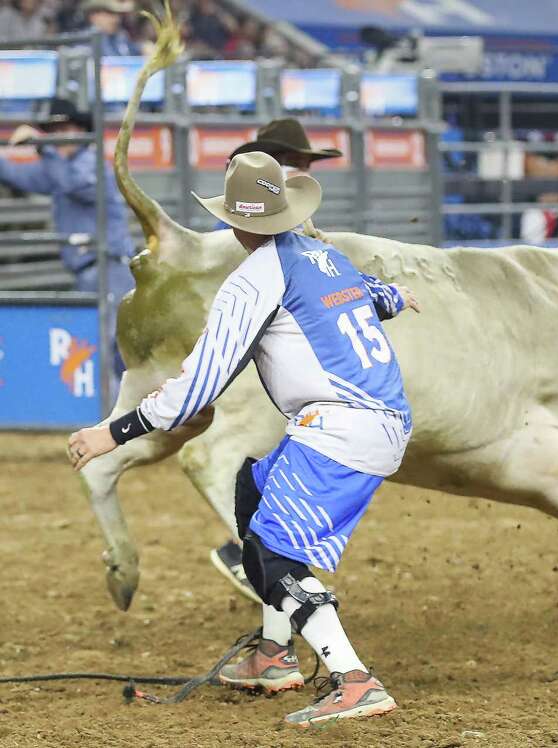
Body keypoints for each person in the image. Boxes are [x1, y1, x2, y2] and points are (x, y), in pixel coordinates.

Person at [67, 152, 421, 727]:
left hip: (341, 426)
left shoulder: (253, 279)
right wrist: (399, 298)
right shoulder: (325, 258)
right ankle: (273, 655)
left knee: (272, 552)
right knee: (251, 495)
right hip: (371, 420)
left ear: (235, 223)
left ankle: (353, 680)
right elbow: (373, 297)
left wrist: (118, 430)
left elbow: (199, 382)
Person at [207, 117, 345, 597]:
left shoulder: (251, 199)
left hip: (265, 336)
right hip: (280, 338)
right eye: (305, 161)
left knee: (284, 458)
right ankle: (265, 557)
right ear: (299, 162)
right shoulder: (282, 209)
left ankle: (256, 553)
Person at [0, 97, 135, 390]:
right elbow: (19, 175)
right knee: (107, 346)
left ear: (79, 129)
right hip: (93, 269)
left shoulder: (87, 164)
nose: (58, 136)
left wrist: (41, 145)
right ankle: (119, 419)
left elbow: (72, 183)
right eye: (53, 130)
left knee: (115, 346)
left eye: (63, 128)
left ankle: (120, 421)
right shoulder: (60, 168)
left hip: (109, 268)